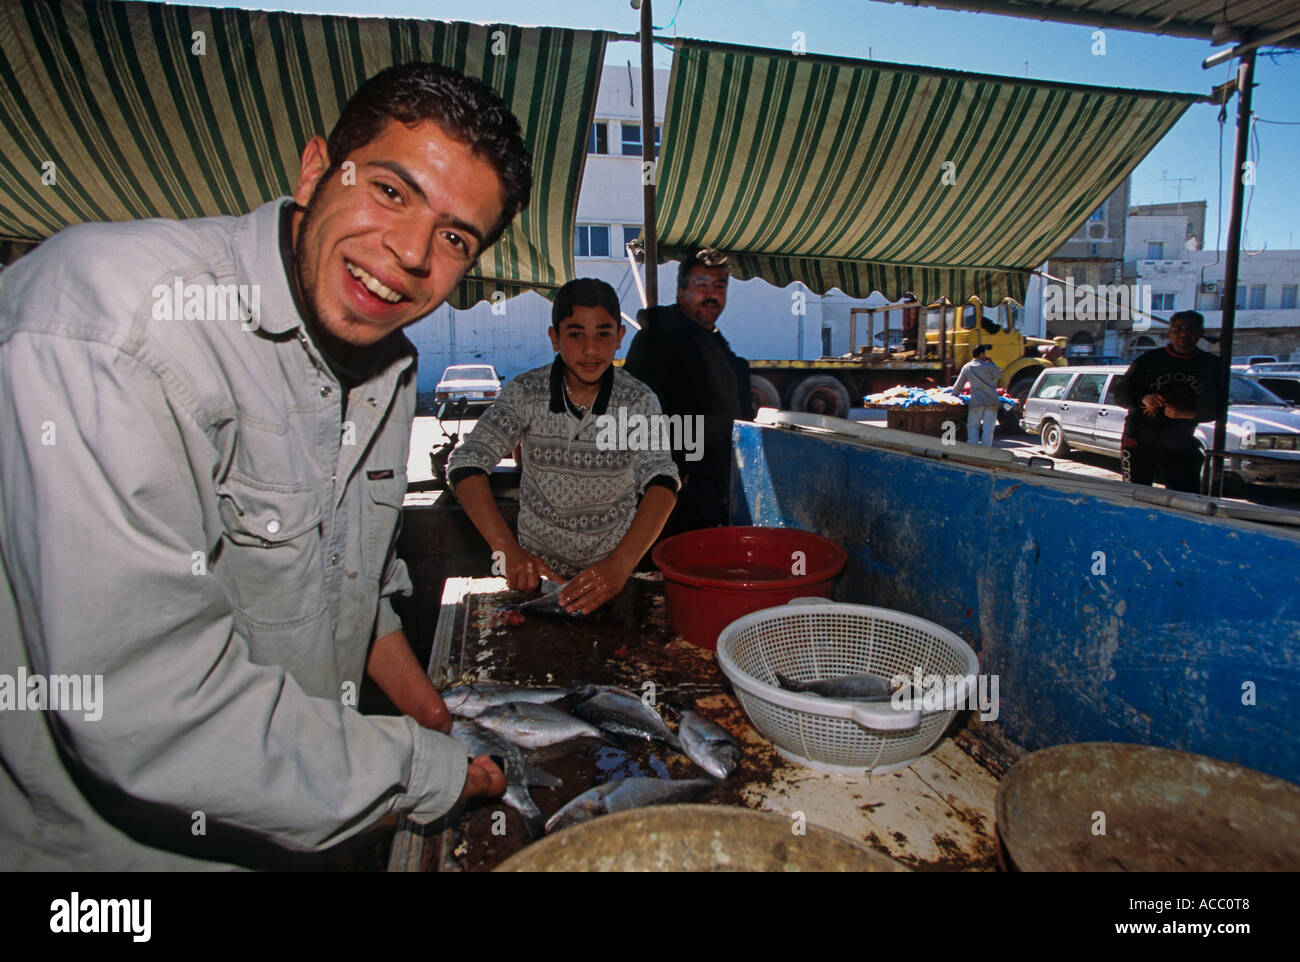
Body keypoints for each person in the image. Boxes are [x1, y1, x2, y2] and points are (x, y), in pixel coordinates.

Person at [0, 63, 532, 869]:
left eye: (457, 237)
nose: (410, 253)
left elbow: (348, 592)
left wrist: (437, 720)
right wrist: (428, 772)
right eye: (391, 190)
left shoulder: (388, 365)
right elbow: (150, 706)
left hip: (301, 828)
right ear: (316, 169)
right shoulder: (116, 325)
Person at [447, 278, 679, 614]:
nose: (590, 349)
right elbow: (465, 463)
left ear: (619, 338)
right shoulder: (526, 393)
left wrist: (621, 564)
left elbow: (663, 479)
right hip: (537, 581)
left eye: (603, 333)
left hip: (612, 581)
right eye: (575, 334)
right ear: (554, 338)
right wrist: (505, 548)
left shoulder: (638, 401)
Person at [624, 248, 754, 533]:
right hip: (672, 501)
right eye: (701, 285)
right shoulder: (655, 342)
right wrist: (680, 471)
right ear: (682, 293)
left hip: (713, 495)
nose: (712, 294)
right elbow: (637, 423)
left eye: (719, 286)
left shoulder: (715, 344)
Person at [1114, 310, 1224, 493]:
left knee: (1185, 497)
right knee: (1134, 493)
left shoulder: (1210, 365)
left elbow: (1219, 406)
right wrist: (1144, 398)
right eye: (1178, 328)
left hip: (1180, 442)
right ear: (1169, 332)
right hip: (1139, 439)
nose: (1184, 334)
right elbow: (1119, 393)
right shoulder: (1148, 361)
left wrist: (1190, 413)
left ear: (1200, 333)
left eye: (1190, 329)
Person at [952, 344, 1002, 446]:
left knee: (973, 426)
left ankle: (974, 450)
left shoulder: (967, 367)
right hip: (992, 401)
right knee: (988, 428)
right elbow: (1000, 375)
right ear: (982, 354)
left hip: (977, 401)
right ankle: (986, 451)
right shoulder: (989, 365)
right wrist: (992, 363)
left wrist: (953, 396)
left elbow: (958, 385)